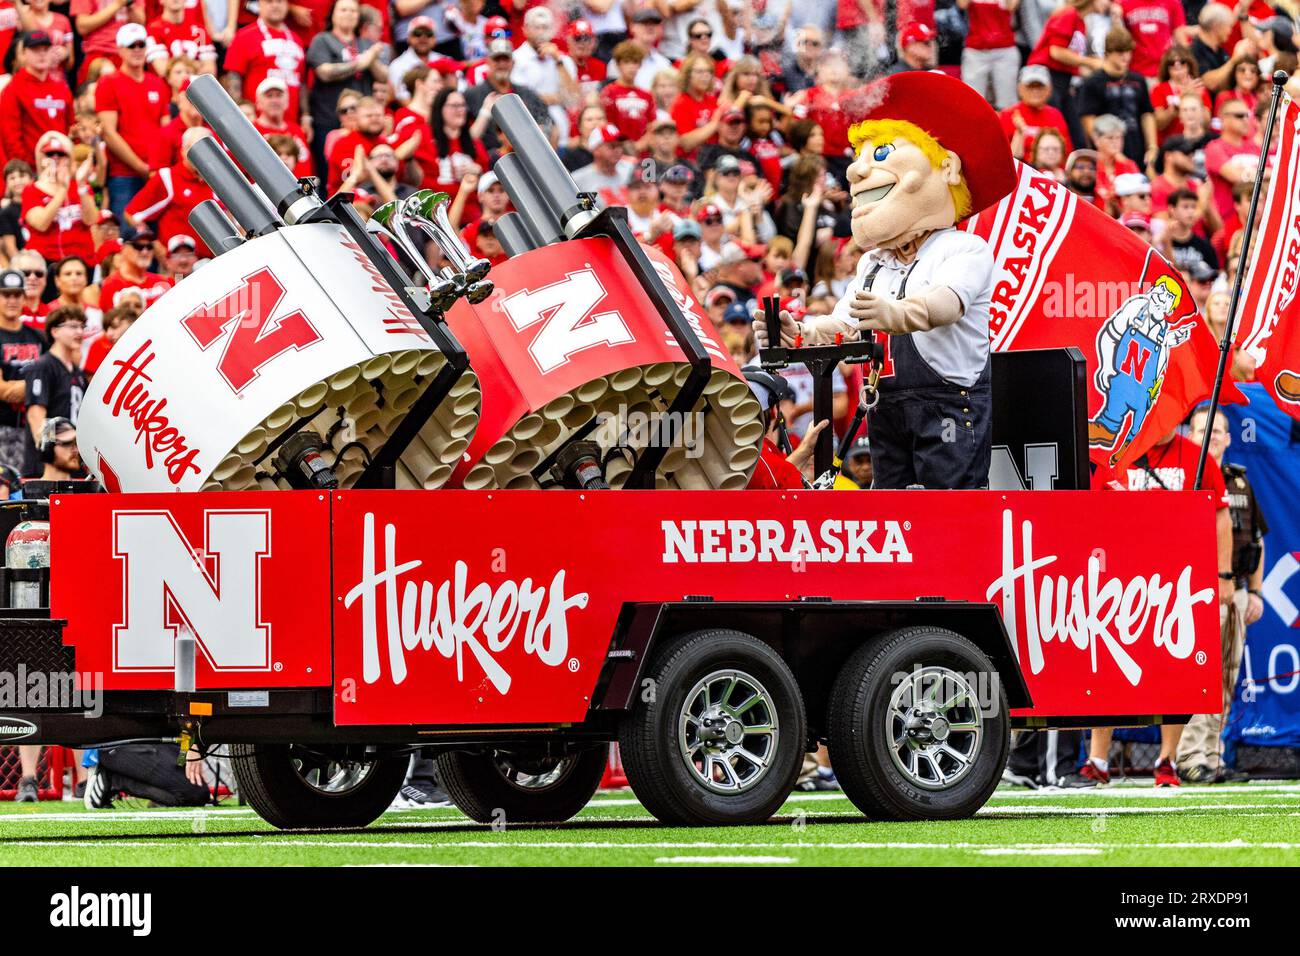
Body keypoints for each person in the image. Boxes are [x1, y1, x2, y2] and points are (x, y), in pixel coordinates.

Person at [759, 72, 1017, 489]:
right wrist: (800, 332)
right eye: (858, 157)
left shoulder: (962, 248)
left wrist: (893, 313)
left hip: (948, 405)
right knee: (894, 514)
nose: (858, 172)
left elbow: (945, 306)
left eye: (879, 153)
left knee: (949, 512)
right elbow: (845, 324)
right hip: (886, 405)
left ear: (946, 168)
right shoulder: (873, 262)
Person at [1066, 426, 1233, 788]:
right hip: (1120, 582)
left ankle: (1167, 761)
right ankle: (1098, 759)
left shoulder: (1196, 455)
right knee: (1108, 664)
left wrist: (1223, 573)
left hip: (1180, 580)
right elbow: (1090, 515)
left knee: (1177, 667)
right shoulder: (1115, 455)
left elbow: (1220, 515)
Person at [1177, 405, 1266, 783]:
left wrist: (1256, 592)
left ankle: (1212, 757)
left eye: (1217, 432)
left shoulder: (1240, 482)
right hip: (1192, 594)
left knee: (1226, 676)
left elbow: (1257, 540)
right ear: (1190, 436)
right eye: (1202, 431)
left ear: (1229, 439)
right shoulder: (1183, 477)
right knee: (1200, 677)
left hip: (1236, 591)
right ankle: (1188, 757)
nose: (1211, 437)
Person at [95, 23, 170, 224]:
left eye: (141, 44)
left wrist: (157, 168)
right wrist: (142, 167)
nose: (137, 50)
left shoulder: (157, 83)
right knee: (128, 235)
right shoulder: (108, 82)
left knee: (155, 237)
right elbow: (109, 133)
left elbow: (166, 130)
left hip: (155, 174)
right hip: (124, 175)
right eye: (131, 45)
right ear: (120, 49)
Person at [305, 0, 389, 177]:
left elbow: (383, 77)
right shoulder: (323, 40)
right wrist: (360, 63)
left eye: (353, 11)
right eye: (343, 10)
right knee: (329, 173)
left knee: (362, 173)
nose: (348, 14)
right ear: (333, 14)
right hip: (328, 119)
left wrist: (371, 58)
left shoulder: (365, 44)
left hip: (361, 124)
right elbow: (324, 72)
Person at [125, 126, 216, 258]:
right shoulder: (168, 177)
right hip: (180, 267)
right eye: (195, 149)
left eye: (205, 150)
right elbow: (131, 213)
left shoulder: (219, 180)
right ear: (183, 150)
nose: (200, 155)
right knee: (178, 279)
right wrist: (159, 250)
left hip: (216, 263)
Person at [1078, 27, 1156, 169]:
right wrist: (1110, 151)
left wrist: (1152, 146)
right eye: (1120, 52)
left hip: (1137, 147)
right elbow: (1089, 122)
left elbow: (1147, 114)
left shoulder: (1138, 80)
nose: (1125, 56)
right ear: (1108, 52)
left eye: (1128, 51)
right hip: (1108, 155)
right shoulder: (1093, 82)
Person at [21, 131, 98, 265]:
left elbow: (91, 219)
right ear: (41, 159)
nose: (55, 158)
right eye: (50, 154)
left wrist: (81, 185)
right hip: (46, 262)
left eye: (61, 154)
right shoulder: (31, 190)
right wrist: (62, 191)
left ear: (69, 158)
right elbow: (41, 224)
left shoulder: (81, 186)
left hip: (81, 261)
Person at [463, 37, 550, 155]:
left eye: (506, 59)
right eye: (497, 59)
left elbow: (547, 124)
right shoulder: (471, 95)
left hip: (528, 156)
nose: (502, 64)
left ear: (513, 63)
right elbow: (463, 137)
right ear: (487, 62)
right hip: (488, 161)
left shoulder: (526, 93)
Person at [222, 0, 307, 119]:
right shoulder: (244, 36)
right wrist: (239, 117)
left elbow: (301, 83)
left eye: (280, 2)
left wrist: (305, 116)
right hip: (255, 123)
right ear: (259, 4)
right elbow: (233, 78)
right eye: (269, 1)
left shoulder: (297, 40)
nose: (275, 5)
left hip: (290, 124)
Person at [0, 30, 72, 168]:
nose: (42, 54)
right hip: (31, 170)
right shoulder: (13, 89)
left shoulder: (62, 88)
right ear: (24, 54)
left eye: (46, 49)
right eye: (35, 49)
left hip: (61, 167)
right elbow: (10, 137)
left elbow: (70, 128)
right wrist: (27, 167)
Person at [509, 6, 577, 142]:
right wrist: (558, 98)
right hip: (532, 128)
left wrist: (557, 61)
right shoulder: (515, 59)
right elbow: (523, 98)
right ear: (525, 29)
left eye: (545, 27)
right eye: (536, 27)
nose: (541, 32)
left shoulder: (563, 60)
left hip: (563, 132)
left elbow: (573, 97)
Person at [0, 268, 44, 476]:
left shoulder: (38, 336)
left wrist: (16, 387)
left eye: (17, 294)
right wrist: (38, 386)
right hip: (3, 427)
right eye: (6, 294)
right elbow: (2, 391)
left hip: (35, 429)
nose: (12, 300)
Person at [25, 307, 85, 446]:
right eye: (73, 326)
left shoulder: (78, 373)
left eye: (82, 326)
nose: (80, 332)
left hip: (71, 455)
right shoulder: (42, 367)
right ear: (55, 331)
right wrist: (50, 451)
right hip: (50, 461)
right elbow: (36, 416)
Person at [1001, 64, 1073, 162]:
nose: (1035, 91)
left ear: (1049, 89)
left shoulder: (1056, 115)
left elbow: (1066, 152)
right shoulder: (1008, 115)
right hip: (1020, 171)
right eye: (1030, 87)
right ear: (1020, 89)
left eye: (1040, 87)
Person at [958, 0, 1020, 111]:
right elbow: (962, 4)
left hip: (1004, 48)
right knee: (972, 100)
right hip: (976, 50)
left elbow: (1012, 6)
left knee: (1007, 102)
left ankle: (1006, 127)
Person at [99, 225, 171, 310]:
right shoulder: (110, 286)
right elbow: (109, 321)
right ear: (124, 248)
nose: (145, 252)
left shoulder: (163, 281)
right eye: (138, 246)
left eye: (149, 247)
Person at [599, 40, 656, 146]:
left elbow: (652, 125)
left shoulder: (647, 95)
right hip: (617, 148)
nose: (631, 67)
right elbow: (607, 124)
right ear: (618, 65)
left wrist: (641, 144)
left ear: (640, 65)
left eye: (635, 62)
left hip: (642, 151)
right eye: (626, 62)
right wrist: (623, 146)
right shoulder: (609, 92)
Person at [146, 0, 216, 75]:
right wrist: (195, 64)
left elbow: (210, 71)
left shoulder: (199, 30)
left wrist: (175, 65)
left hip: (196, 86)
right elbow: (162, 70)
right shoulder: (153, 29)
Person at [572, 124, 632, 198]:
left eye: (620, 146)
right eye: (612, 146)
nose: (618, 150)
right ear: (596, 150)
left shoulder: (630, 171)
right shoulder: (577, 180)